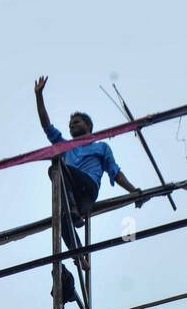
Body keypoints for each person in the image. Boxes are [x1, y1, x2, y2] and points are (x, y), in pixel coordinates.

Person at [34, 76, 149, 276]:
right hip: (72, 195)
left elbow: (115, 173)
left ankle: (73, 210)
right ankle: (80, 257)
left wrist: (134, 192)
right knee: (62, 221)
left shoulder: (101, 147)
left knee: (58, 169)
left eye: (76, 122)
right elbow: (46, 125)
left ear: (87, 125)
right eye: (70, 124)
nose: (71, 126)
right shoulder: (65, 145)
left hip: (88, 188)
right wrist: (38, 96)